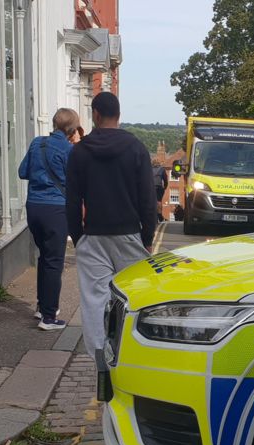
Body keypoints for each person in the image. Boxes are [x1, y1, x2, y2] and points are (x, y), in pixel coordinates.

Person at [66, 92, 158, 358]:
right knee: (134, 298)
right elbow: (148, 199)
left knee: (95, 301)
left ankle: (101, 361)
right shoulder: (136, 148)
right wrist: (147, 238)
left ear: (95, 115)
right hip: (129, 234)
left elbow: (72, 201)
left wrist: (78, 237)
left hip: (93, 235)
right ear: (118, 114)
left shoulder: (80, 151)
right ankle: (130, 354)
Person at [18, 108, 80, 331]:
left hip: (33, 207)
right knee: (54, 261)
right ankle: (49, 317)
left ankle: (42, 306)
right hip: (56, 210)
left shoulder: (37, 143)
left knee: (44, 257)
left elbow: (22, 172)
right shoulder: (69, 150)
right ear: (72, 129)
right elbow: (75, 181)